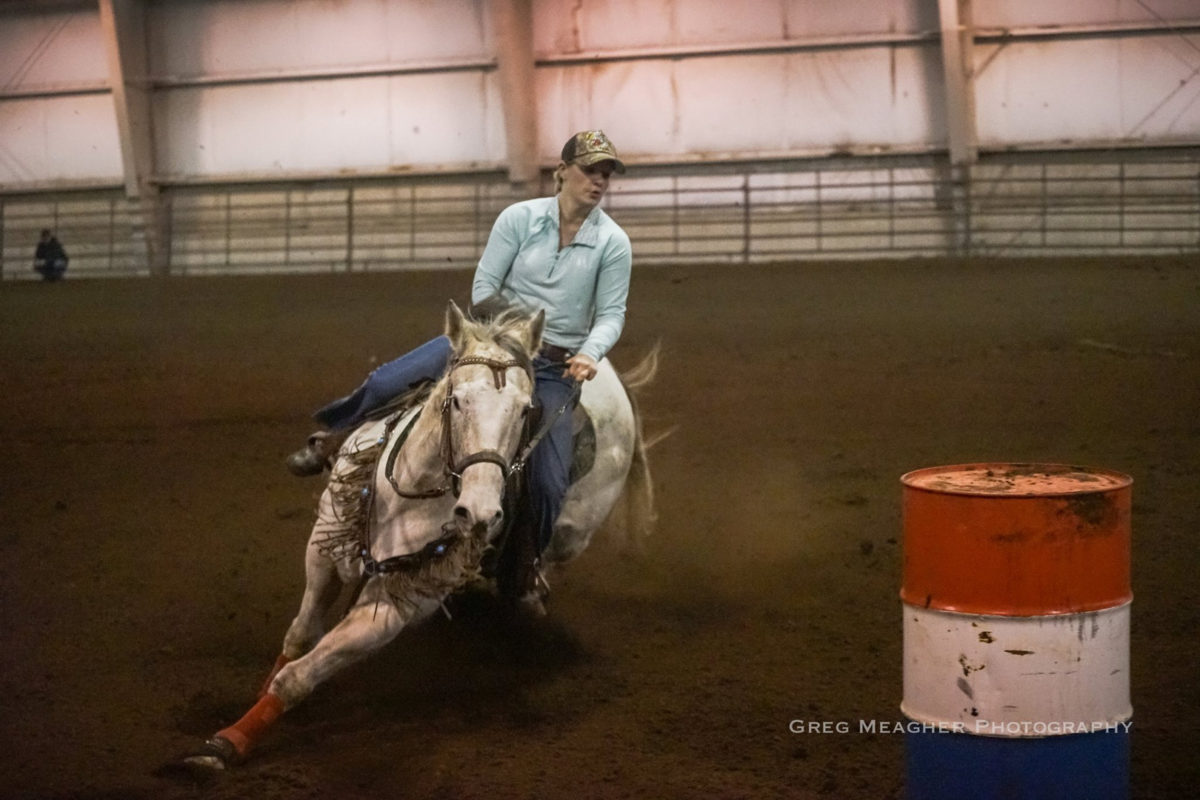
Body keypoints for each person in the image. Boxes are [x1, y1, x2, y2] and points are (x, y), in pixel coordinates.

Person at [286, 130, 633, 610]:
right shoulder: (519, 219)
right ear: (562, 172)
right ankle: (332, 438)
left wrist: (591, 351)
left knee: (548, 482)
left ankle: (522, 568)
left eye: (606, 173)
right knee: (387, 381)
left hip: (553, 367)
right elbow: (484, 288)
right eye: (590, 170)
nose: (598, 181)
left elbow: (611, 313)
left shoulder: (612, 242)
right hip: (486, 342)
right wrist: (519, 329)